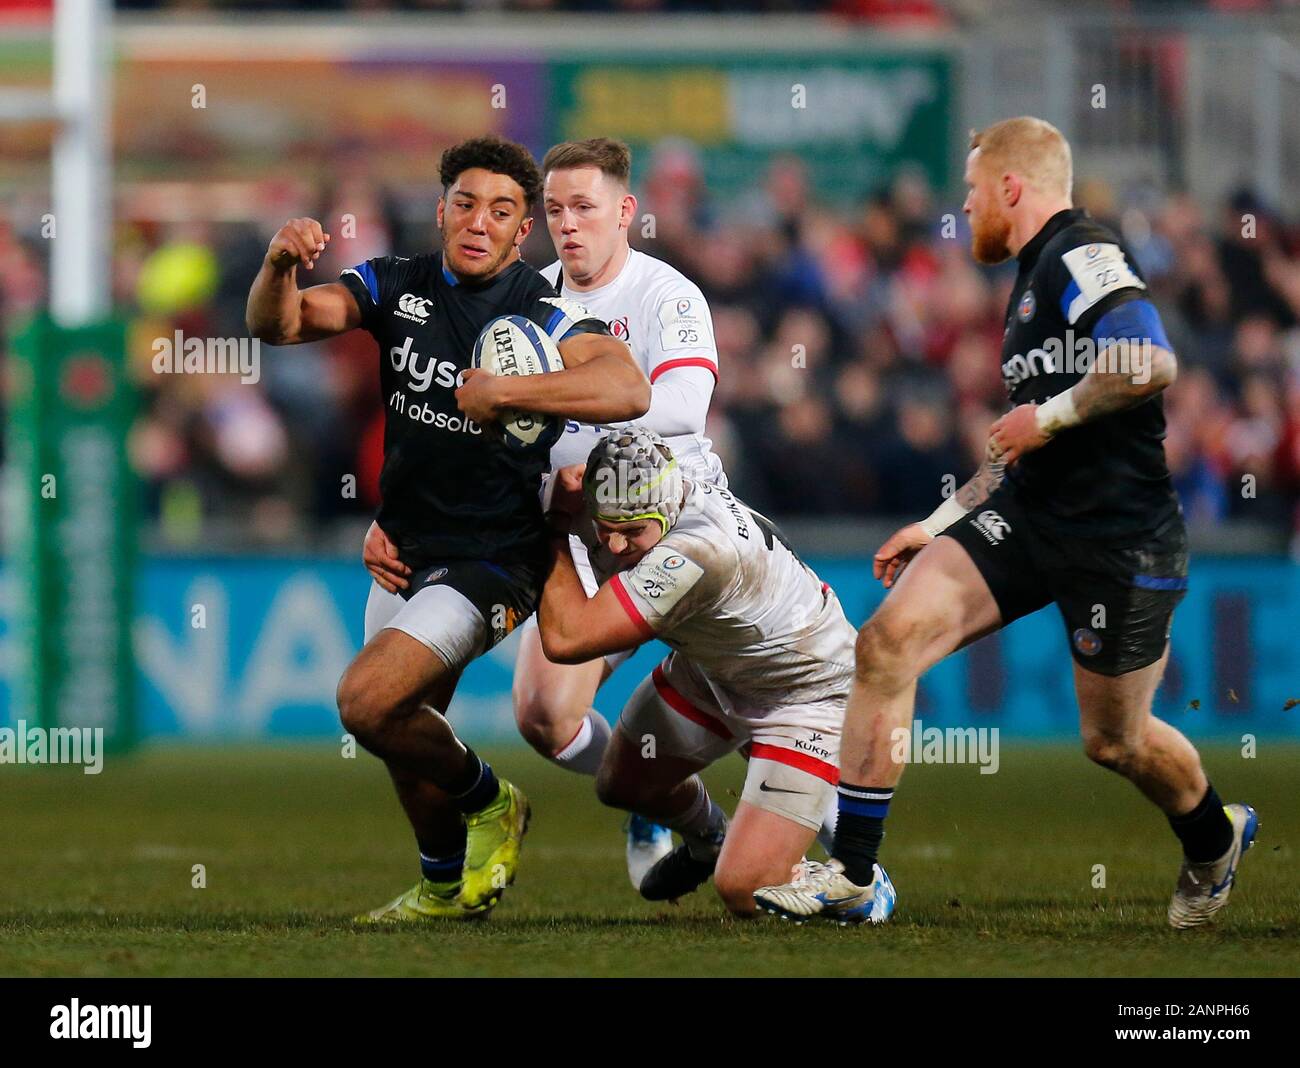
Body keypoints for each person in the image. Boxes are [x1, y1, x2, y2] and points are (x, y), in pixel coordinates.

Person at [755, 116, 1256, 928]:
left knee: (1115, 742)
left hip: (1118, 535)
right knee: (887, 643)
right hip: (1027, 518)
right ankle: (850, 875)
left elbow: (1150, 360)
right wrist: (941, 519)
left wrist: (1050, 416)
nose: (965, 205)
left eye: (971, 189)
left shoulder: (1078, 252)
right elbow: (1014, 442)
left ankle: (1213, 834)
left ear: (1009, 187)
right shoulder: (1026, 285)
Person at [246, 135, 649, 922]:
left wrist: (511, 392)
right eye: (465, 204)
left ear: (519, 231)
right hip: (403, 551)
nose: (478, 222)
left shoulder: (540, 308)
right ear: (441, 211)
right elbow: (281, 325)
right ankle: (442, 888)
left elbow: (628, 388)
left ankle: (493, 802)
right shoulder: (396, 284)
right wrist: (278, 267)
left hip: (491, 560)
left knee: (365, 702)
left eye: (501, 211)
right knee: (399, 730)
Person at [535, 427, 886, 918]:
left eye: (632, 531)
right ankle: (710, 838)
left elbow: (566, 639)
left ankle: (857, 880)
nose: (614, 546)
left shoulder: (698, 552)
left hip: (807, 697)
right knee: (622, 786)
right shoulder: (664, 494)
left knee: (746, 890)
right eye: (605, 526)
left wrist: (552, 524)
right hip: (718, 669)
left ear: (665, 511)